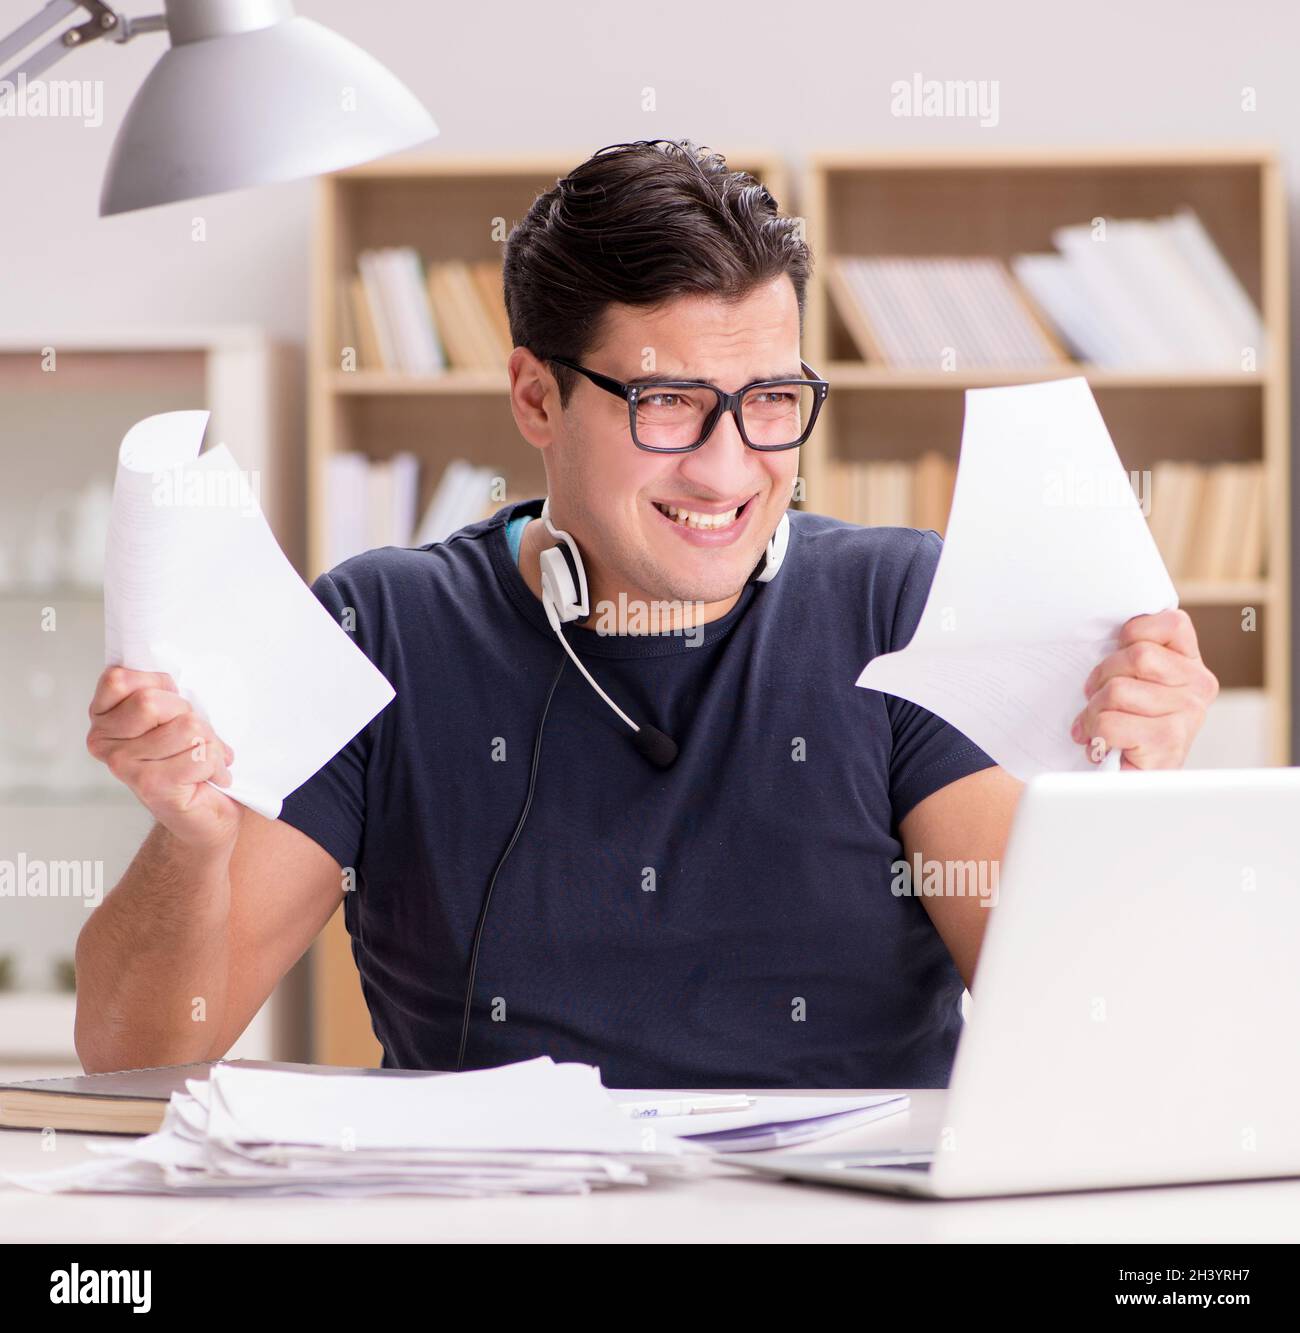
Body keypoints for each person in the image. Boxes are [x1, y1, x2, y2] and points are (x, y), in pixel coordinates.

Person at [78, 139, 1218, 1087]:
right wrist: (193, 844)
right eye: (670, 404)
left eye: (771, 400)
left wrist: (1124, 792)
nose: (730, 471)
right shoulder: (383, 628)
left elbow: (1093, 1041)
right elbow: (134, 1058)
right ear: (535, 396)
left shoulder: (899, 607)